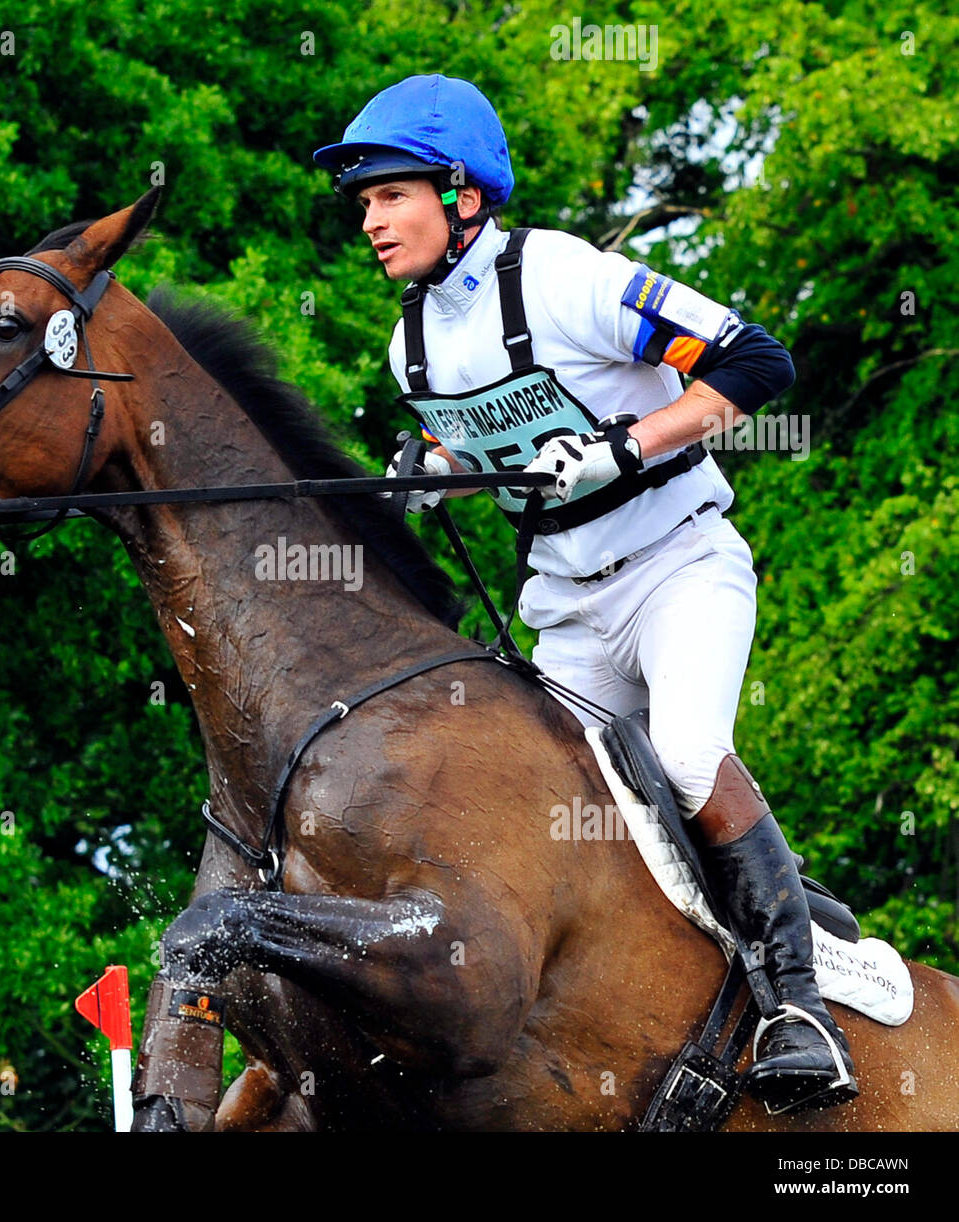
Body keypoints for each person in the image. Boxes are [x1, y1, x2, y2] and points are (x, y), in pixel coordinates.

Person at [313, 73, 857, 1115]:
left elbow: (754, 359)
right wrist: (430, 469)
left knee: (689, 759)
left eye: (389, 196)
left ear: (461, 193)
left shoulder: (563, 276)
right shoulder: (408, 345)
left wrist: (623, 448)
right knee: (558, 824)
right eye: (364, 203)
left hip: (676, 569)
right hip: (563, 613)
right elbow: (483, 445)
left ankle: (800, 1010)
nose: (370, 221)